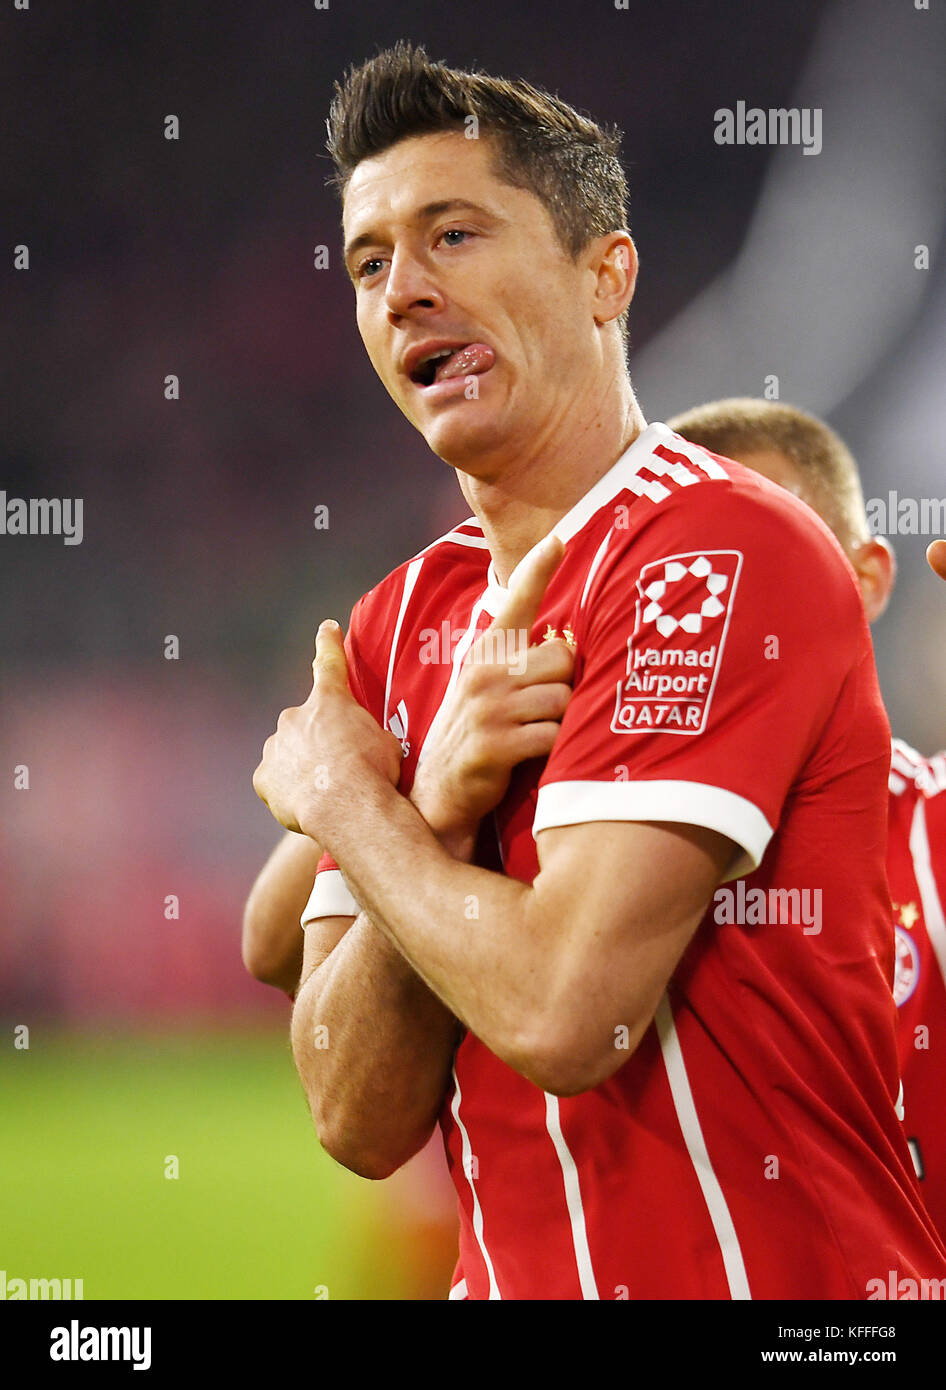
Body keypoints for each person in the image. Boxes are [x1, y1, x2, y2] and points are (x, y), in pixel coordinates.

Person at [250, 43, 946, 1298]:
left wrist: (355, 803)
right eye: (368, 261)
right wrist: (438, 807)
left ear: (604, 273)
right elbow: (354, 1115)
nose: (402, 287)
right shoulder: (397, 619)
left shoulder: (725, 549)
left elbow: (573, 1015)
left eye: (452, 234)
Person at [668, 396, 946, 1244]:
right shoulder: (562, 821)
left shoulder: (929, 828)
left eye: (773, 557)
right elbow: (279, 945)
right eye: (691, 573)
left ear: (865, 581)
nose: (726, 612)